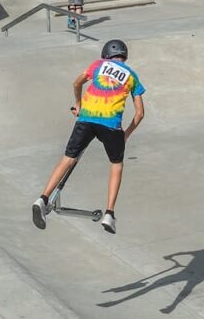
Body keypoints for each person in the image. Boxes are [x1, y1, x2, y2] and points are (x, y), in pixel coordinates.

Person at [32, 38, 145, 235]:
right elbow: (140, 114)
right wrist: (125, 135)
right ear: (124, 57)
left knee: (68, 159)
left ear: (105, 55)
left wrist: (78, 104)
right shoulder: (132, 77)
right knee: (116, 165)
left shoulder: (97, 65)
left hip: (86, 120)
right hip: (111, 125)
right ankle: (109, 213)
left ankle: (42, 198)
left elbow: (76, 83)